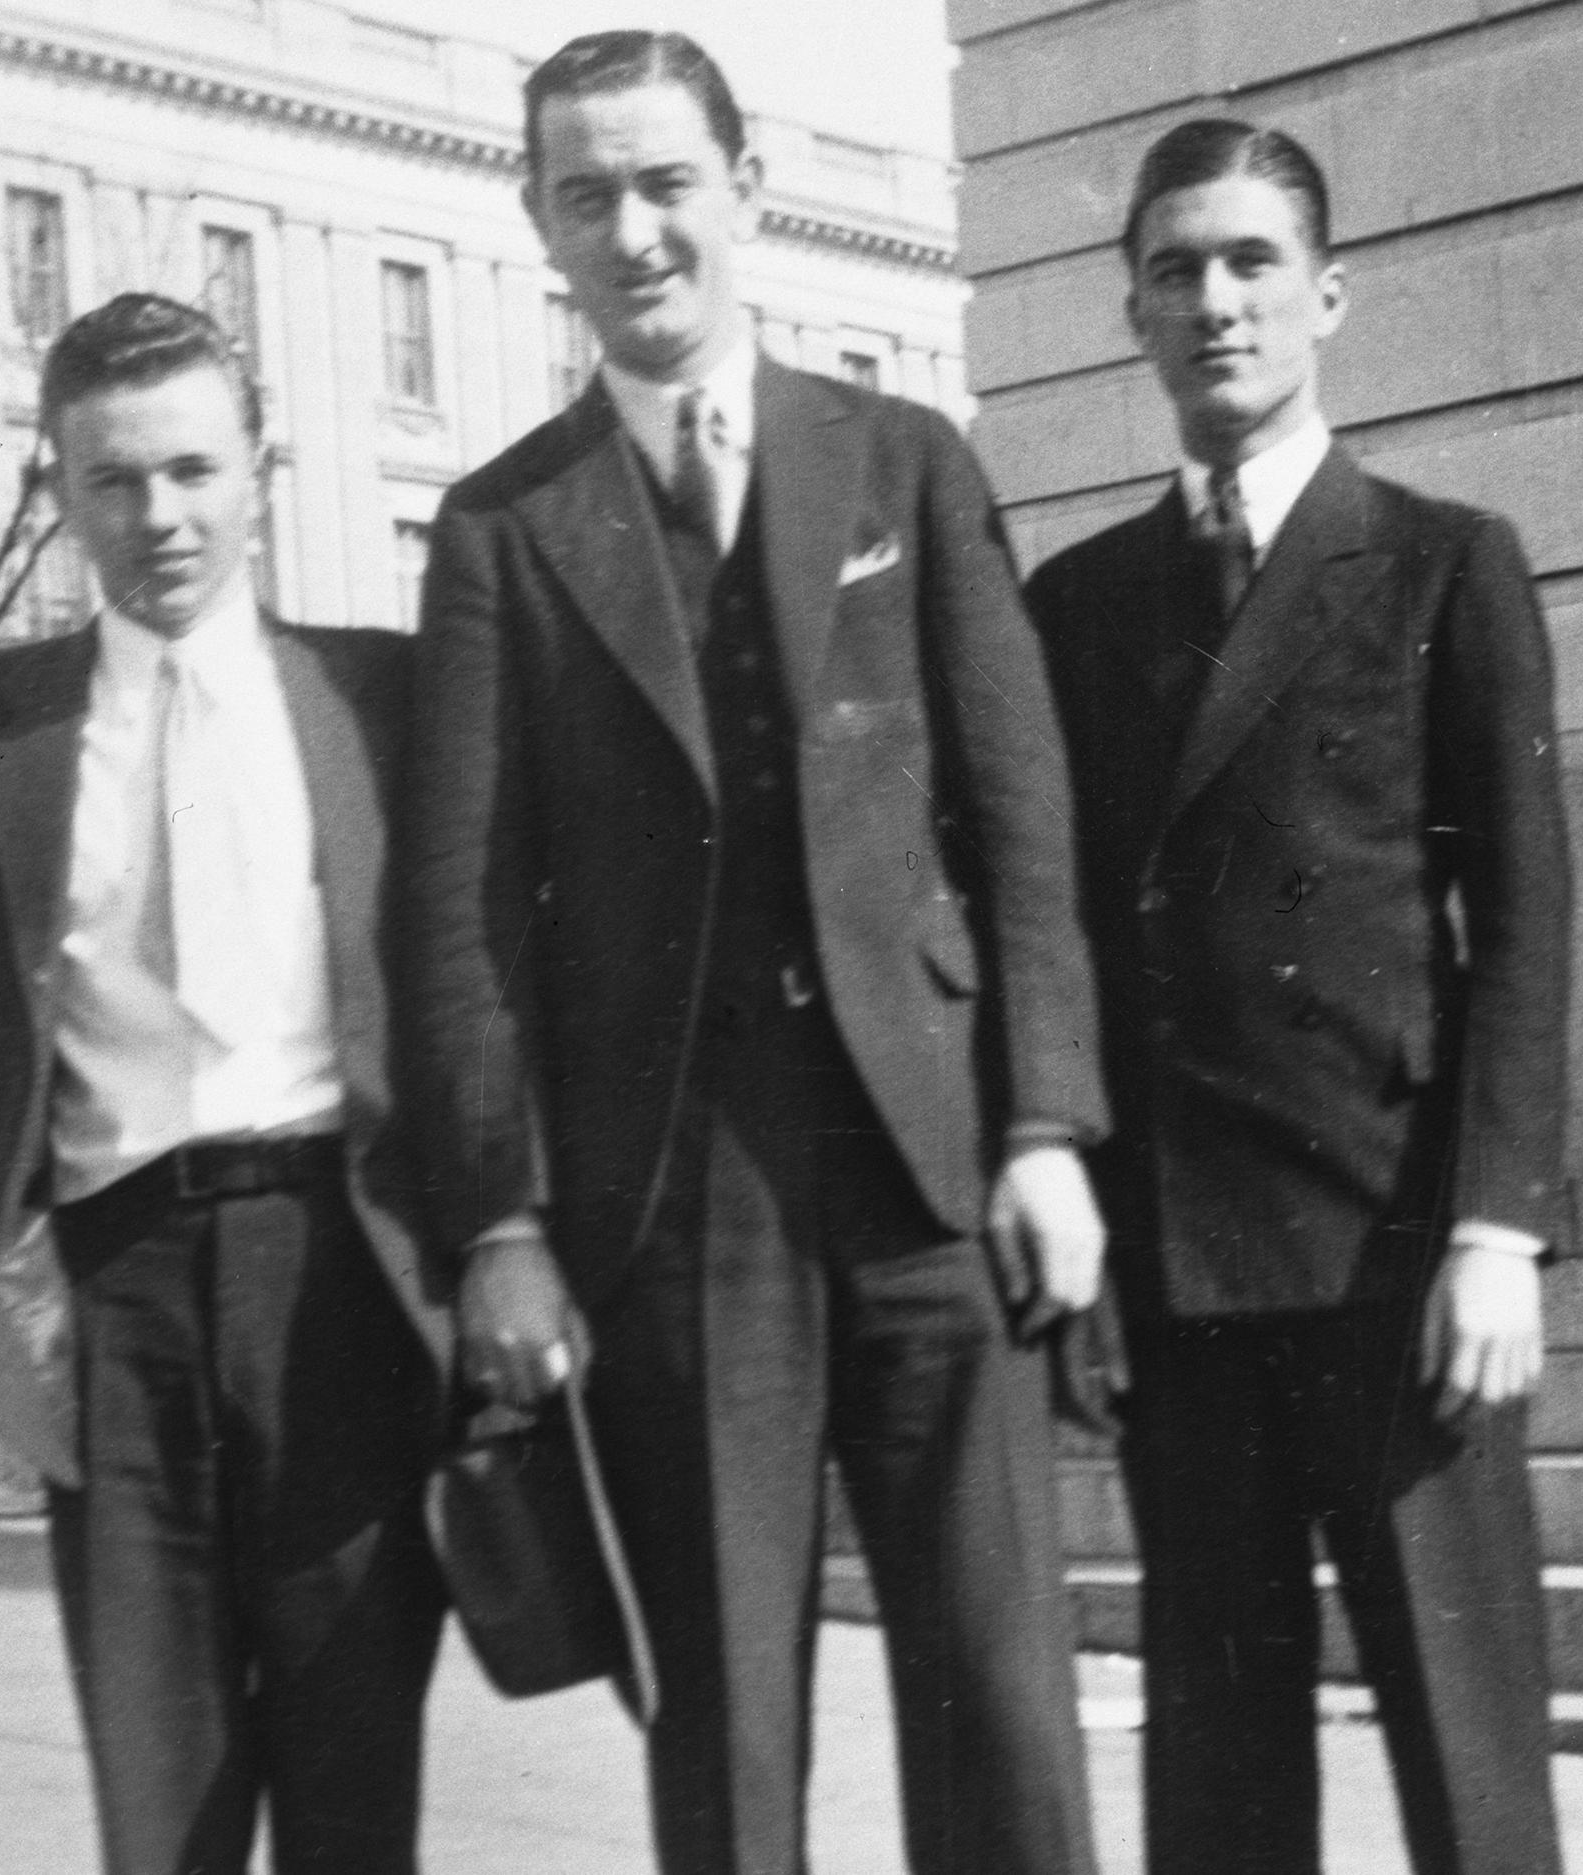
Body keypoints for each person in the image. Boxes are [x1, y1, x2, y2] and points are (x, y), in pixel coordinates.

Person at [395, 31, 1108, 1875]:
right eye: (585, 197)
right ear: (537, 223)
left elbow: (1021, 823)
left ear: (745, 189)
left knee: (1005, 1711)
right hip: (679, 1202)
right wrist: (503, 1226)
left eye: (666, 185)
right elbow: (461, 912)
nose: (633, 232)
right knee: (721, 1735)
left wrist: (1046, 1132)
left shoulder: (904, 462)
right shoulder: (499, 531)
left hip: (933, 1169)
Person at [1023, 119, 1574, 1875]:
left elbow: (1528, 917)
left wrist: (1501, 1228)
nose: (1217, 303)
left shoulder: (1441, 561)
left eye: (1253, 263)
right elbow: (1075, 947)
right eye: (1177, 269)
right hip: (1183, 1278)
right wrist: (1095, 1251)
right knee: (1221, 1792)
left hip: (1396, 1255)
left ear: (1328, 296)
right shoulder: (1079, 605)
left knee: (1472, 1784)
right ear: (1131, 310)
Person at [0, 294, 450, 1875]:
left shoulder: (381, 700)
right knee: (163, 1813)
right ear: (60, 490)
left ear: (259, 466)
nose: (160, 516)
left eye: (192, 468)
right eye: (113, 480)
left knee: (353, 1801)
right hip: (110, 1295)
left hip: (340, 1281)